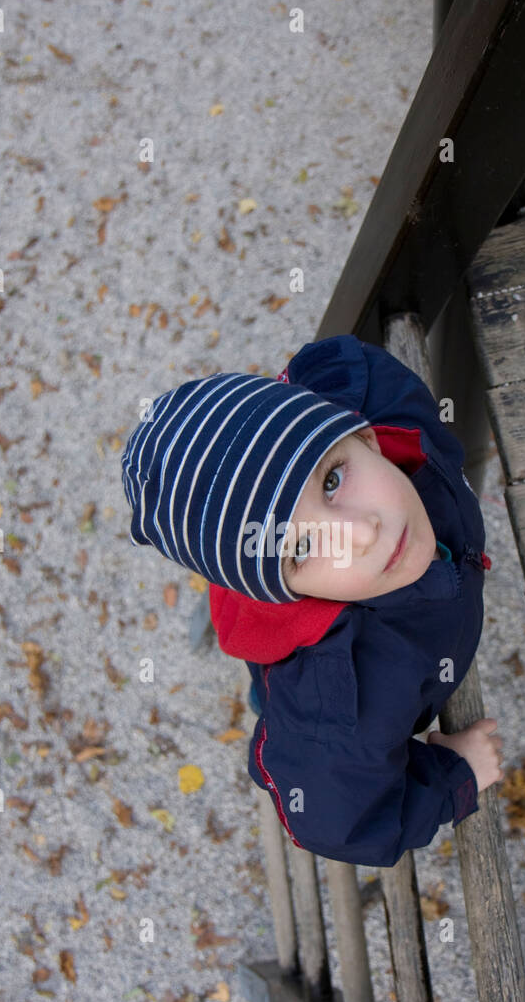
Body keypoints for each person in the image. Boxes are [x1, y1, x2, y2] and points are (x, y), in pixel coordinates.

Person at [121, 333, 503, 867]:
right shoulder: (337, 705)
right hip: (308, 688)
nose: (361, 534)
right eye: (301, 548)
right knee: (280, 700)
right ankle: (263, 695)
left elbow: (345, 365)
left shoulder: (390, 414)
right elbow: (342, 822)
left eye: (331, 480)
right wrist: (453, 778)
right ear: (287, 593)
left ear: (364, 436)